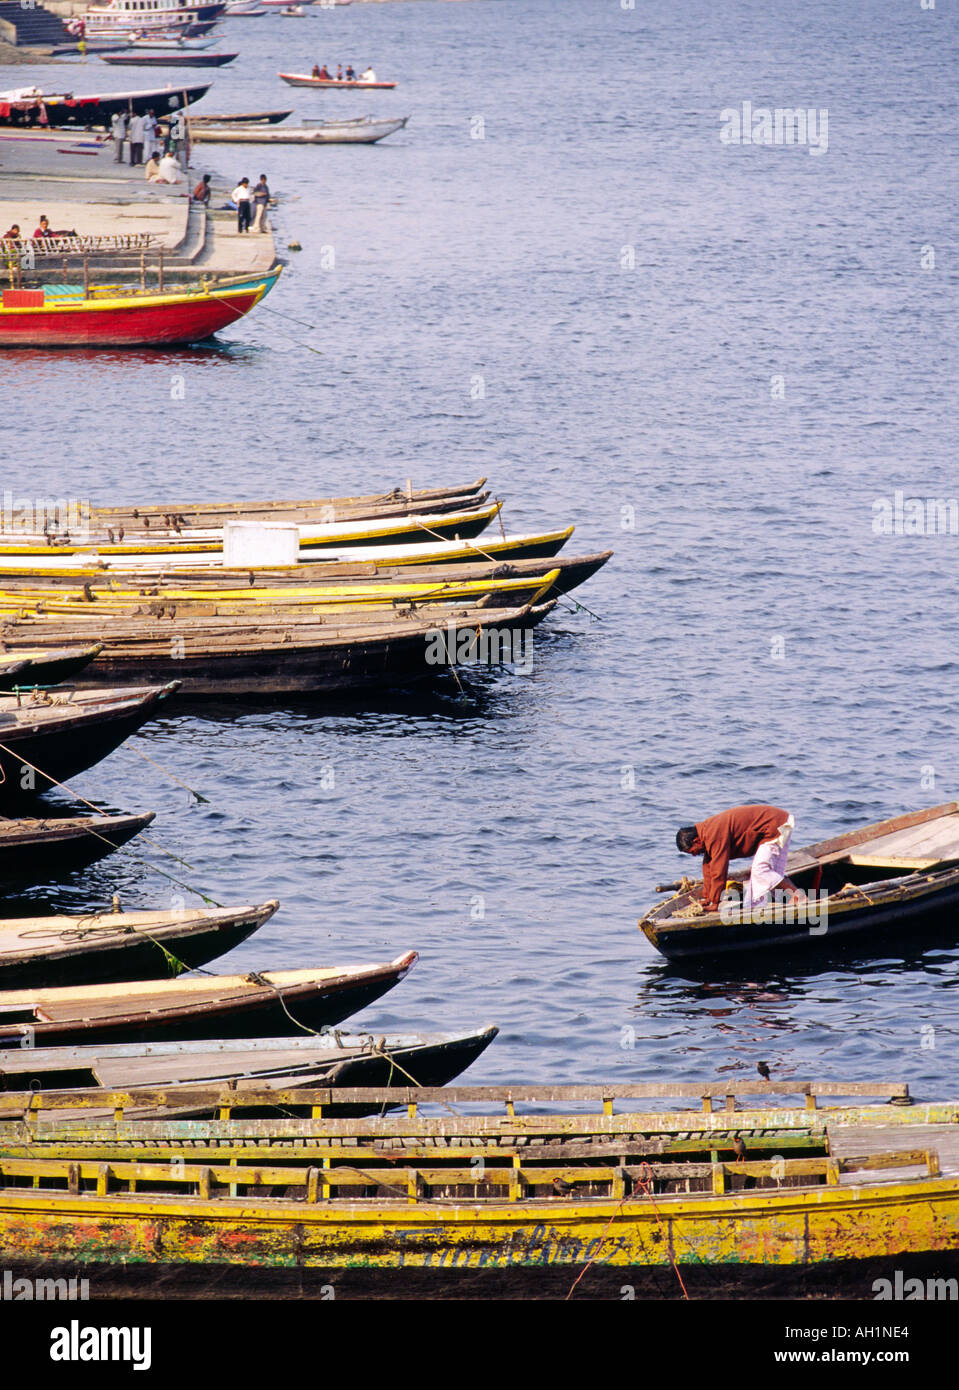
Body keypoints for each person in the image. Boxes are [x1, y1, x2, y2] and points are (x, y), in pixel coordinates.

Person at [675, 804, 801, 915]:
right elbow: (708, 868)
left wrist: (715, 902)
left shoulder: (713, 834)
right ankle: (792, 897)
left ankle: (798, 895)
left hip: (777, 826)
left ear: (696, 841)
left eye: (692, 852)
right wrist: (707, 898)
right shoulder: (706, 834)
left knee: (760, 870)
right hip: (774, 826)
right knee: (765, 874)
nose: (694, 855)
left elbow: (719, 871)